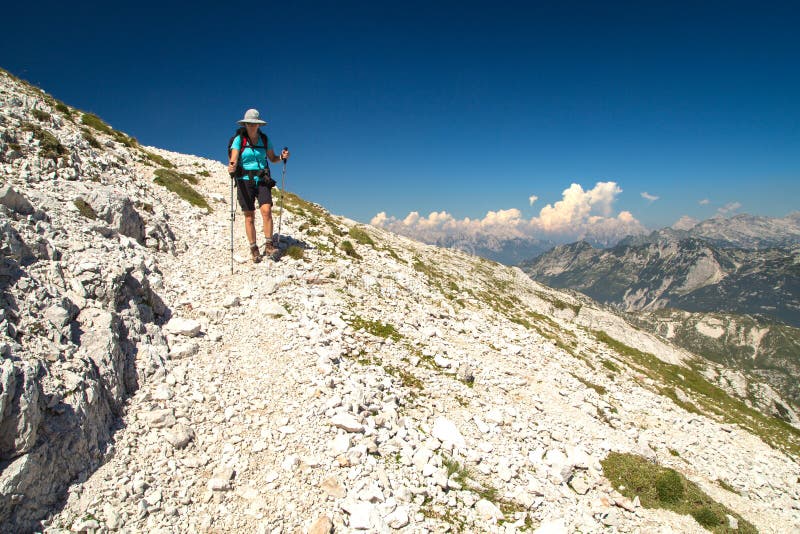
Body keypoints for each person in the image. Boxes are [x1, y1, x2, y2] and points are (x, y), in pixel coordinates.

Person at [227, 108, 290, 263]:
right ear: (245, 124)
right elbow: (234, 157)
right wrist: (232, 166)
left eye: (254, 124)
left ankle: (269, 245)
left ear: (259, 125)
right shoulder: (239, 140)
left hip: (262, 179)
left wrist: (281, 157)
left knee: (266, 210)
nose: (252, 126)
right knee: (249, 215)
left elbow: (273, 158)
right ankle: (254, 248)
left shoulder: (265, 139)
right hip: (244, 179)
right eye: (249, 124)